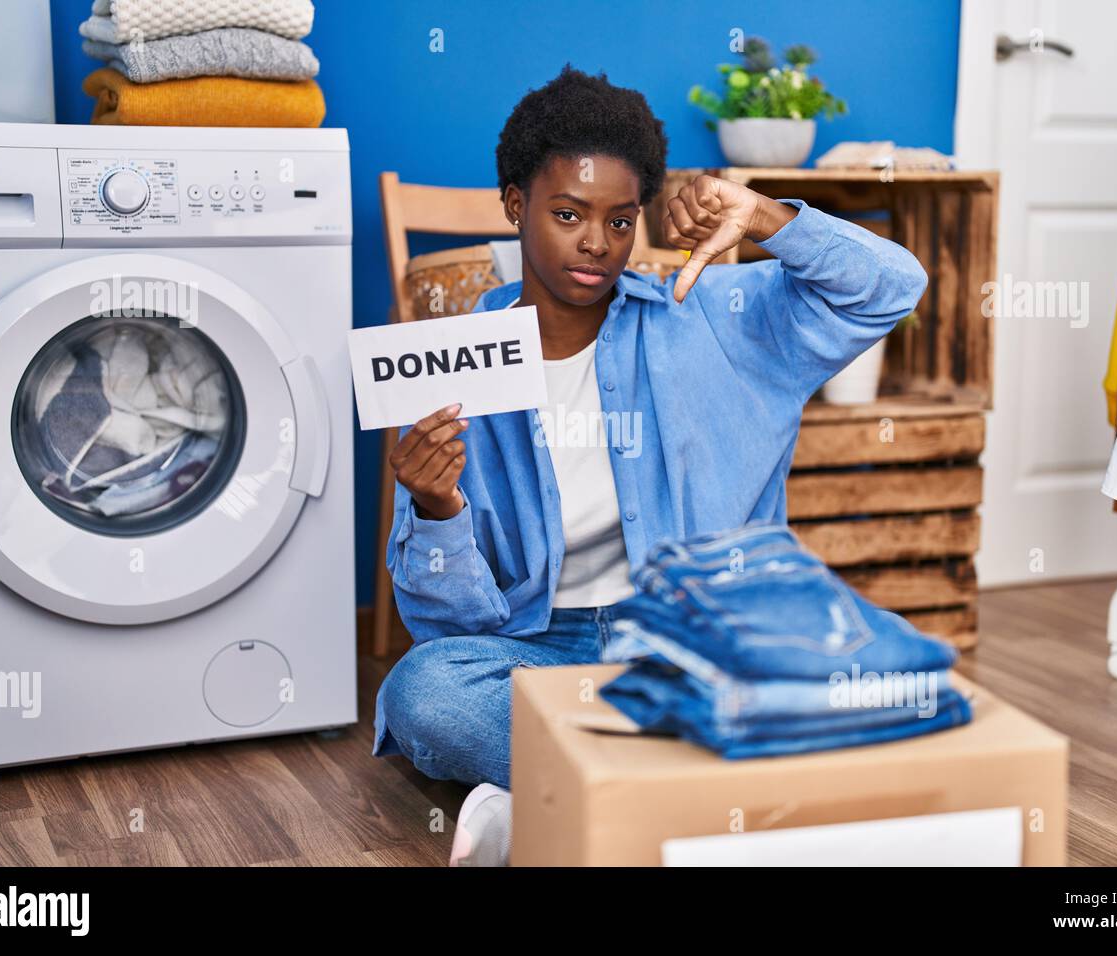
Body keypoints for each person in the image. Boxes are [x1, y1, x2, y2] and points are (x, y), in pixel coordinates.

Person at [372, 64, 927, 866]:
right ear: (515, 205)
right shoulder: (452, 363)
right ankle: (697, 786)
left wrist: (767, 217)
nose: (596, 243)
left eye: (619, 220)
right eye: (567, 214)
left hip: (695, 640)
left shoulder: (709, 316)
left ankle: (560, 798)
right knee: (428, 694)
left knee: (895, 677)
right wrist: (436, 511)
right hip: (543, 653)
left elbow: (891, 288)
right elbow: (452, 633)